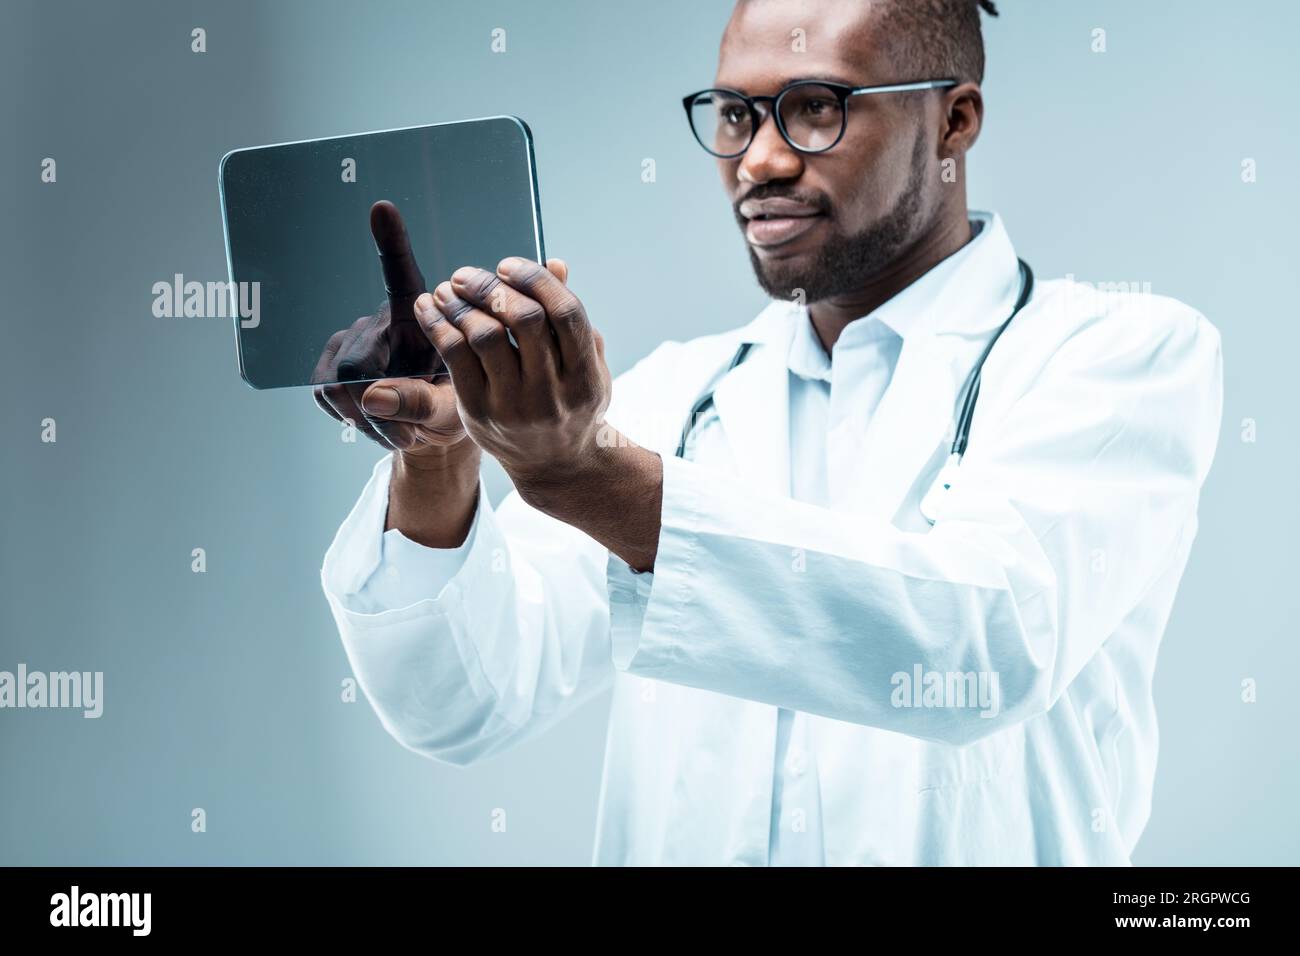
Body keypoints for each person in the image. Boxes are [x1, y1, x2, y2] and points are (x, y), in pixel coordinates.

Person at [315, 0, 1223, 865]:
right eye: (737, 115)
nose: (759, 161)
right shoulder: (671, 394)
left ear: (954, 122)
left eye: (815, 108)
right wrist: (439, 464)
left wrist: (591, 478)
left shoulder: (1121, 355)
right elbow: (466, 700)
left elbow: (983, 647)